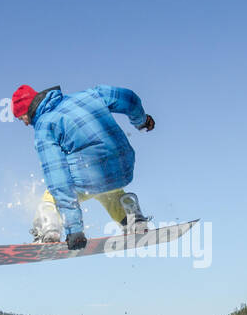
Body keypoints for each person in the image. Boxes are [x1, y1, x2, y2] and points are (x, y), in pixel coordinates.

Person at [11, 83, 155, 248]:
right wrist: (141, 121)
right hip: (123, 168)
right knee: (107, 191)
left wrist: (75, 229)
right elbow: (129, 98)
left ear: (27, 111)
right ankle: (132, 217)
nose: (25, 123)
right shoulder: (88, 95)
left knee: (50, 198)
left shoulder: (44, 126)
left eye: (22, 118)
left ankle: (49, 231)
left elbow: (57, 176)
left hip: (88, 176)